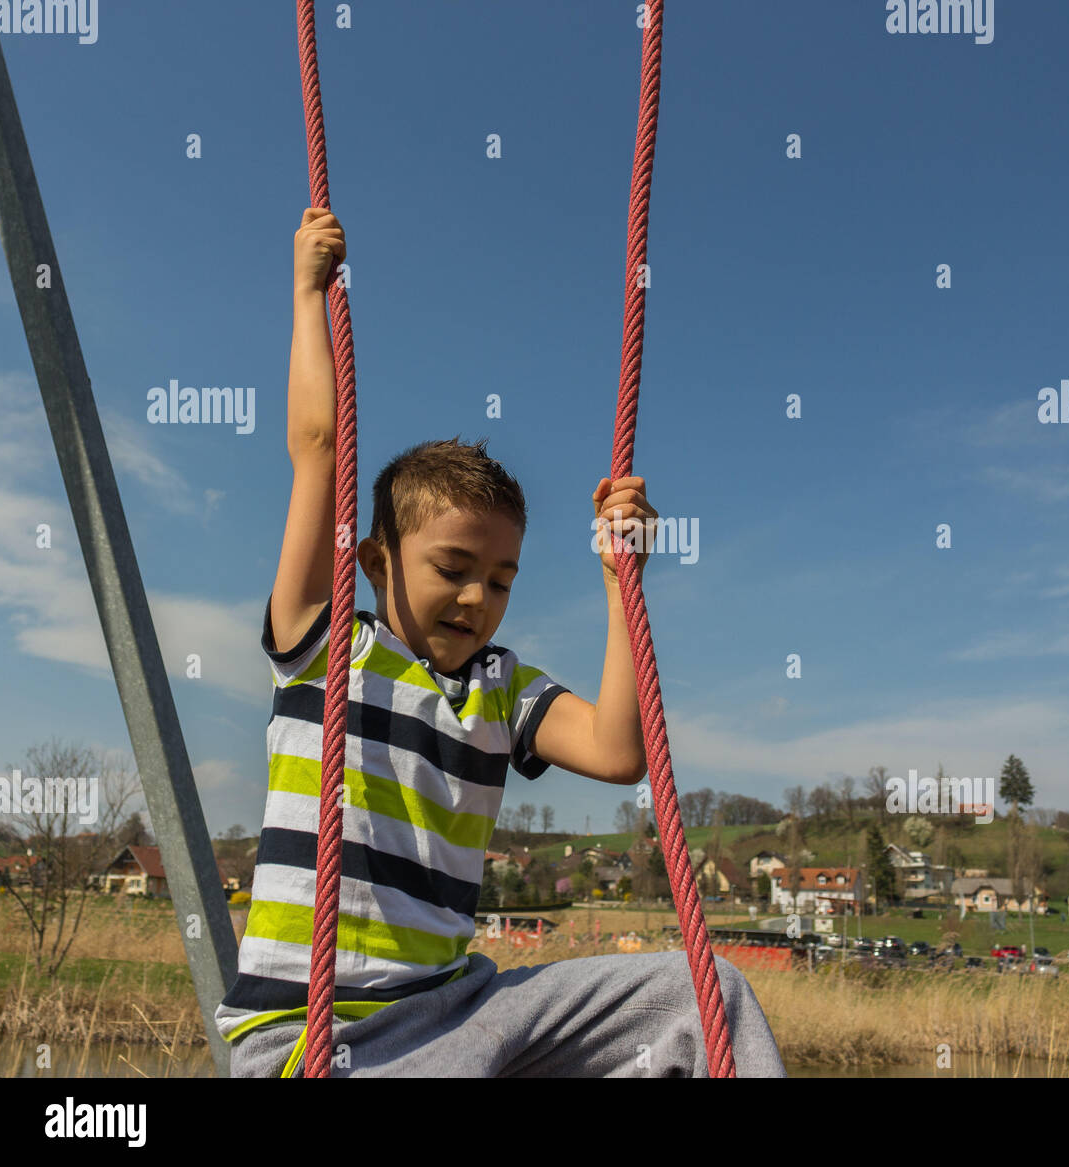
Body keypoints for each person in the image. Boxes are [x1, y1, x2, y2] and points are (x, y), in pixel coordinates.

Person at [213, 208, 786, 1078]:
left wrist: (616, 577)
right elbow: (320, 449)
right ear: (372, 560)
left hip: (460, 1008)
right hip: (314, 1036)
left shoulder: (499, 686)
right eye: (453, 566)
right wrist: (306, 293)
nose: (478, 596)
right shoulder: (327, 645)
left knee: (705, 1000)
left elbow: (618, 751)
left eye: (504, 577)